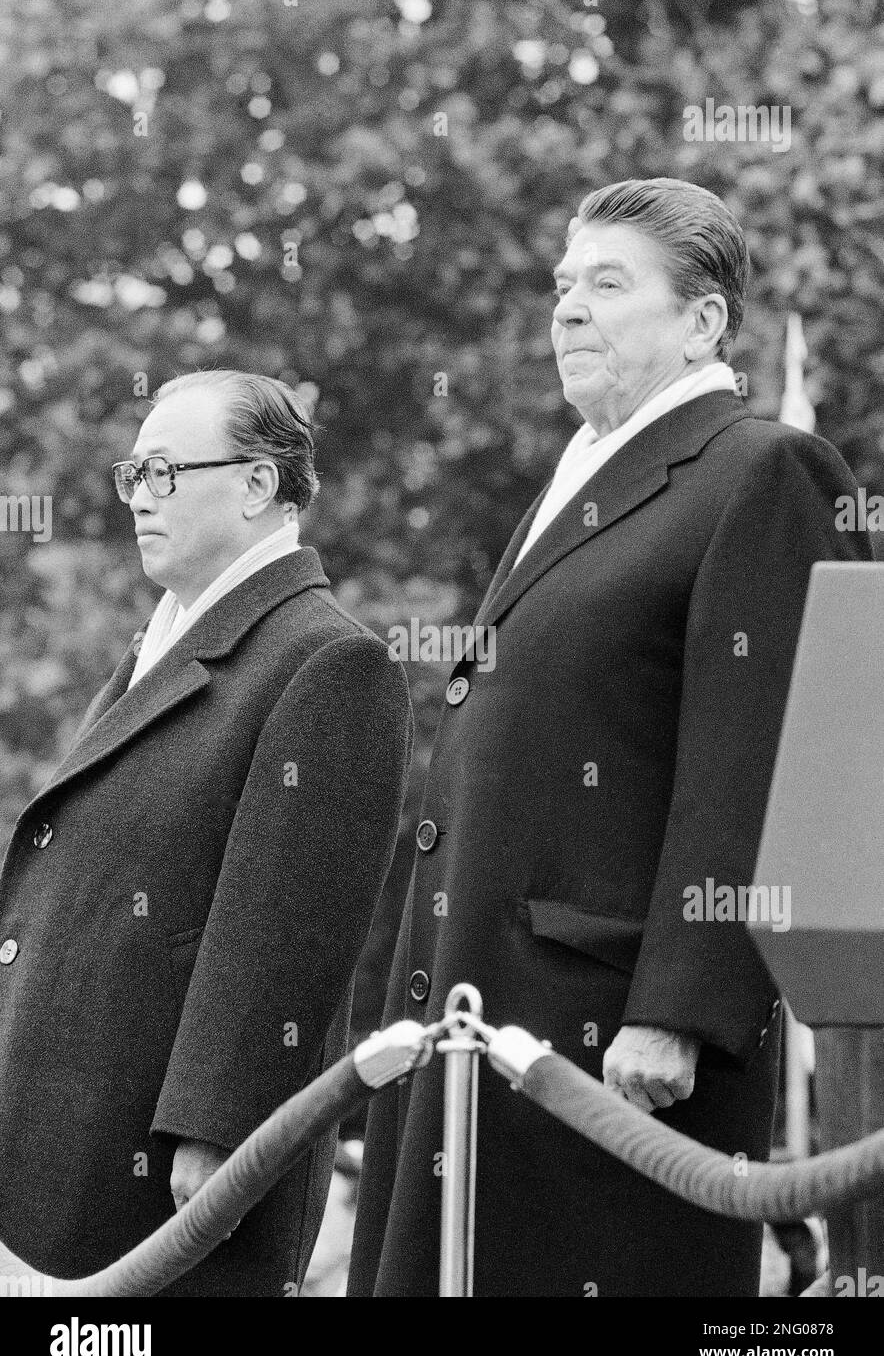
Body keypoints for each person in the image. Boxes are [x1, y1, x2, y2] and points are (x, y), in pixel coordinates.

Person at [348, 179, 873, 1297]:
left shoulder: (759, 468)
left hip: (609, 1048)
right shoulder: (580, 477)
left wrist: (677, 1008)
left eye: (606, 282)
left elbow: (758, 757)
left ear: (701, 322)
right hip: (470, 1016)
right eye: (560, 285)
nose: (566, 309)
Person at [0, 369, 412, 1295]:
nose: (141, 498)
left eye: (165, 473)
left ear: (260, 485)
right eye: (133, 475)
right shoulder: (164, 641)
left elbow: (288, 925)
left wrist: (218, 1131)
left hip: (163, 1173)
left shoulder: (327, 660)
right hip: (63, 1138)